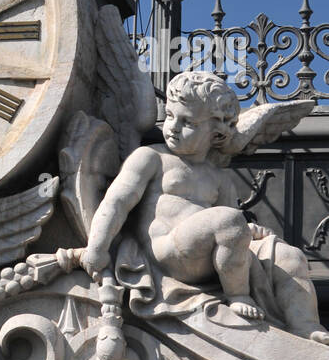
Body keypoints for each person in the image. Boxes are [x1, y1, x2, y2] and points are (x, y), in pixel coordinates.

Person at [79, 71, 329, 341]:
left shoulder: (219, 177)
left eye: (187, 122)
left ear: (217, 133)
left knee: (289, 256)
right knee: (227, 221)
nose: (173, 127)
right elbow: (117, 201)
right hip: (170, 250)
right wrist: (97, 247)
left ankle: (304, 325)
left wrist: (250, 231)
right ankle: (237, 295)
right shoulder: (151, 158)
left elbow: (233, 231)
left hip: (211, 256)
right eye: (171, 116)